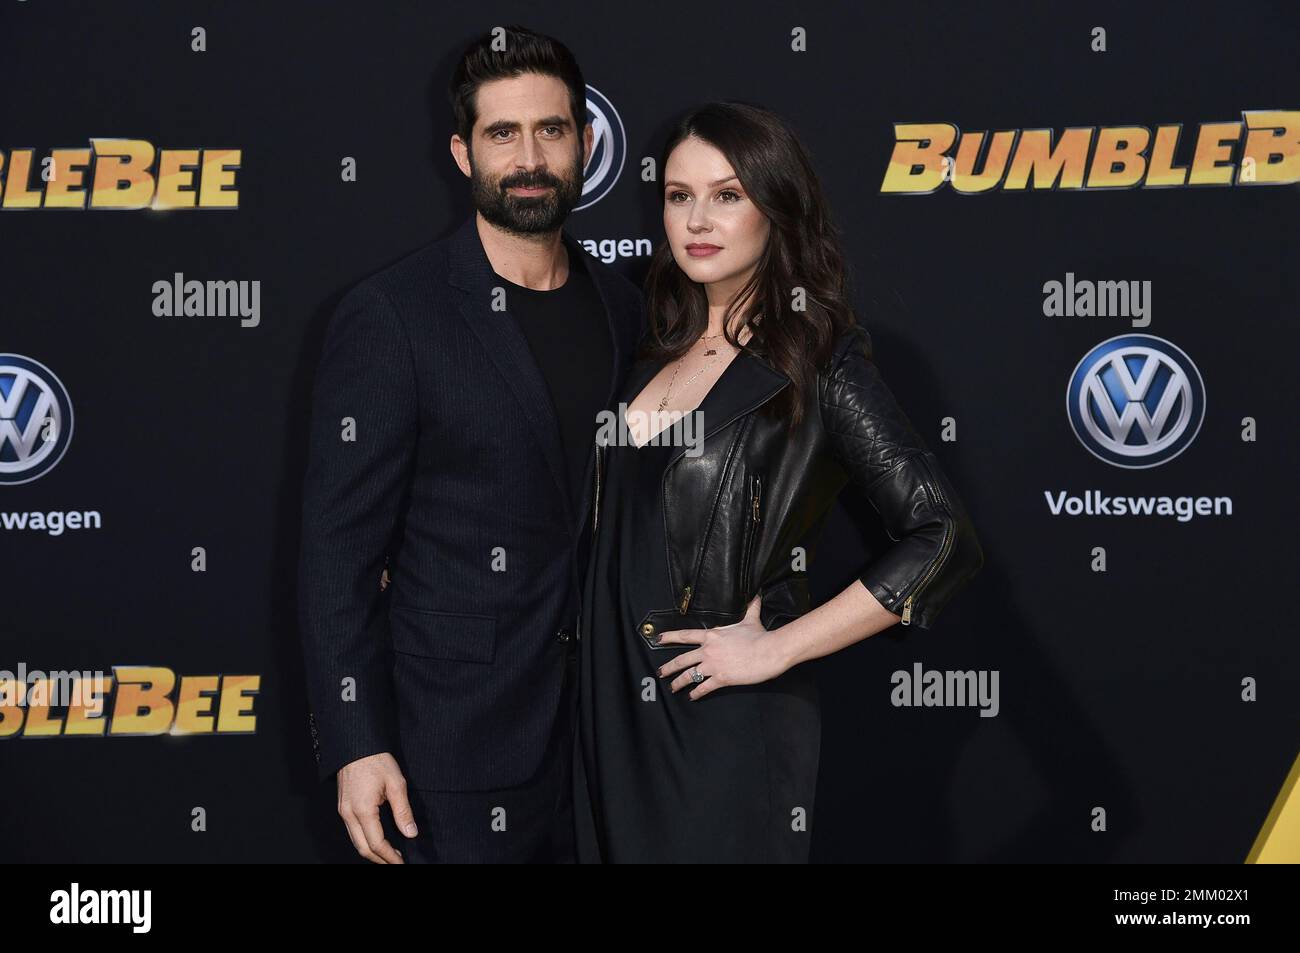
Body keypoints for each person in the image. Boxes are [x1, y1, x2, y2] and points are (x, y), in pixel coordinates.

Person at [573, 102, 985, 863]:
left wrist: (777, 648)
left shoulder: (818, 362)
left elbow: (942, 538)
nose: (697, 217)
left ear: (777, 208)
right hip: (608, 715)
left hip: (721, 723)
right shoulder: (645, 349)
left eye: (728, 195)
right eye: (678, 194)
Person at [297, 26, 644, 863]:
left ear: (585, 143)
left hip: (609, 746)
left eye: (551, 130)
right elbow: (337, 552)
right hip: (449, 748)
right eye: (502, 134)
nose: (529, 157)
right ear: (463, 154)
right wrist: (355, 741)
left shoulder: (626, 309)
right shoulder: (394, 317)